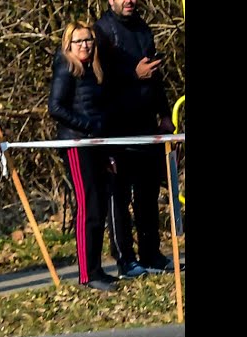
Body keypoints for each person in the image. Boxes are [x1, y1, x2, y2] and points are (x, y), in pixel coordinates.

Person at [94, 0, 176, 277]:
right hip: (115, 126)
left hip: (146, 124)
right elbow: (97, 82)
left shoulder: (143, 28)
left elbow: (155, 75)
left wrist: (165, 115)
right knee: (118, 195)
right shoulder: (101, 31)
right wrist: (133, 74)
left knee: (148, 192)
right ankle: (125, 259)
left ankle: (151, 253)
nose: (128, 0)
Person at [48, 22, 117, 292]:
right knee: (87, 206)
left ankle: (97, 267)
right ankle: (87, 273)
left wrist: (106, 145)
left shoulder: (95, 70)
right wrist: (87, 127)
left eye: (88, 40)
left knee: (99, 206)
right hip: (76, 146)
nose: (85, 45)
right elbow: (55, 107)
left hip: (97, 145)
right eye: (78, 41)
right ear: (68, 45)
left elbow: (99, 110)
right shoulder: (66, 67)